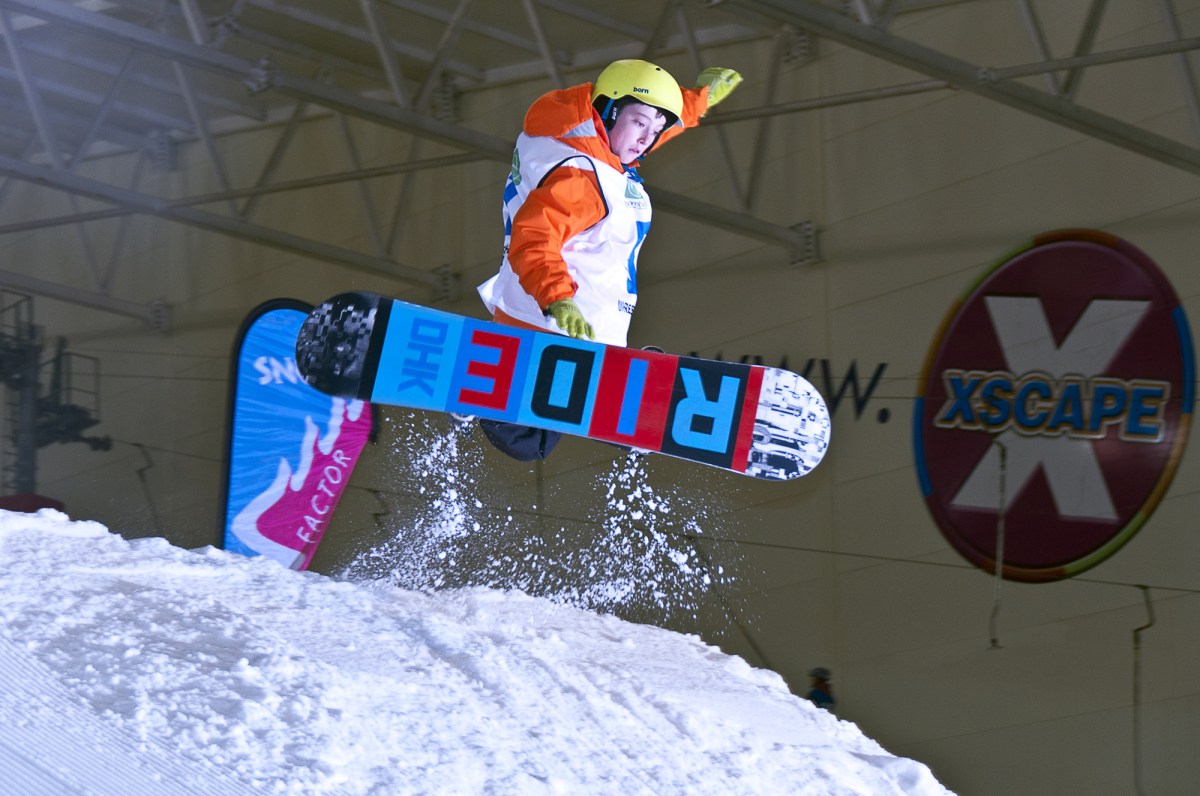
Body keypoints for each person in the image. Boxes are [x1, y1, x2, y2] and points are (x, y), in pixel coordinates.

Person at [472, 58, 743, 461]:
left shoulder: (568, 134)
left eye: (656, 130)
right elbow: (535, 236)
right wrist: (557, 298)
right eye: (639, 123)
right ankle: (629, 387)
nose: (646, 140)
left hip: (530, 314)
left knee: (526, 440)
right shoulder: (581, 180)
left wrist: (695, 103)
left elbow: (638, 124)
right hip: (554, 321)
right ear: (609, 109)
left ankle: (621, 389)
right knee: (523, 438)